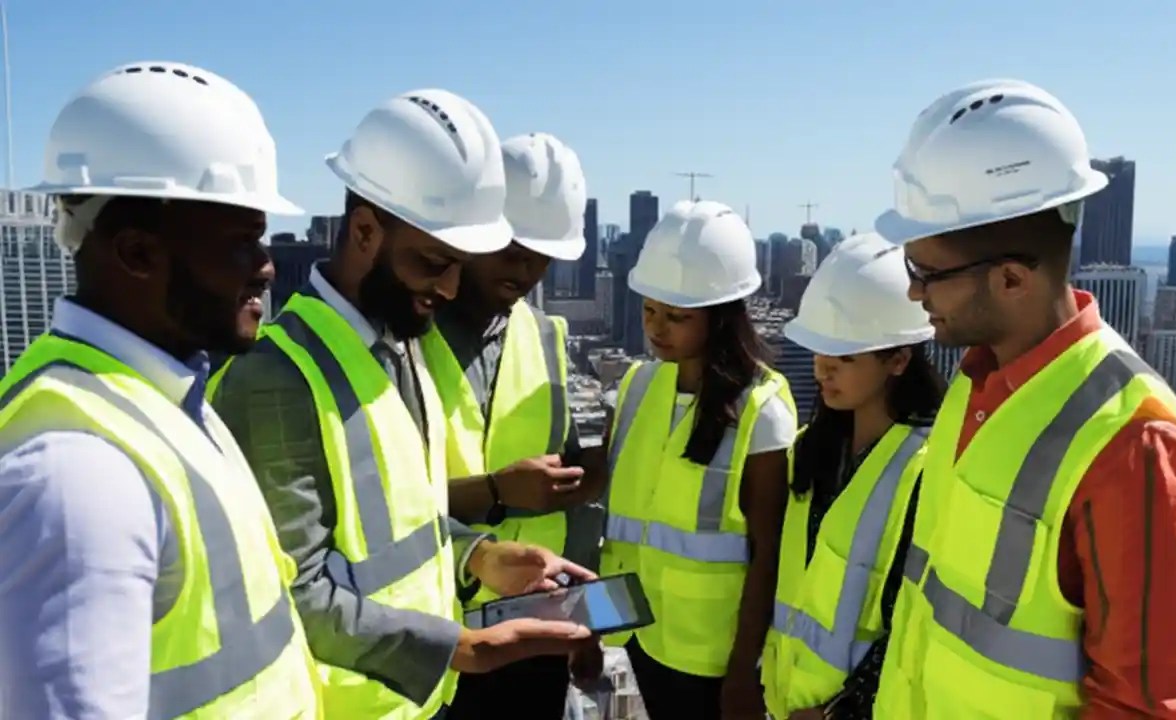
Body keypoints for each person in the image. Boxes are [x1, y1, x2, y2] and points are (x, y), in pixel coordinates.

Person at [208, 88, 596, 720]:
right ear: (364, 231)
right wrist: (461, 649)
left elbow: (400, 521)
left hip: (416, 702)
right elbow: (291, 593)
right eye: (434, 264)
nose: (447, 289)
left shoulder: (398, 343)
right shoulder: (274, 376)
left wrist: (481, 554)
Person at [871, 79, 1176, 719]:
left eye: (925, 273)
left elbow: (1140, 708)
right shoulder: (975, 385)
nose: (914, 294)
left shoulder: (1130, 447)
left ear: (1011, 279)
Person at [0, 62, 320, 719]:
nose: (265, 266)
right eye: (242, 241)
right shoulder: (76, 475)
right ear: (139, 253)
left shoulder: (166, 398)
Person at [424, 131, 606, 719]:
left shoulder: (546, 338)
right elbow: (370, 504)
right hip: (427, 628)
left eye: (542, 255)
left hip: (533, 626)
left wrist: (585, 622)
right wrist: (497, 494)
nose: (527, 269)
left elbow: (579, 504)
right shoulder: (403, 335)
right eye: (511, 248)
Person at [600, 199, 797, 719]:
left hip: (710, 657)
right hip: (638, 633)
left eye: (677, 317)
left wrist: (742, 672)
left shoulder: (761, 410)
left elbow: (768, 554)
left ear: (721, 316)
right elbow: (620, 531)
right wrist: (589, 629)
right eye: (649, 311)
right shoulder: (639, 385)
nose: (656, 328)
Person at [761, 233, 944, 720]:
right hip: (785, 699)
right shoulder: (812, 449)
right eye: (820, 353)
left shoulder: (926, 468)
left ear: (899, 360)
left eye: (844, 358)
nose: (823, 371)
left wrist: (841, 711)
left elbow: (915, 619)